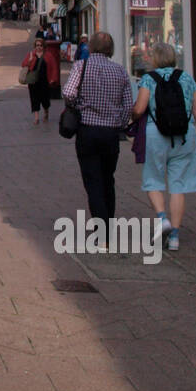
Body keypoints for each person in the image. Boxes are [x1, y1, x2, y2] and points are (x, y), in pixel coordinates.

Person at [60, 32, 133, 241]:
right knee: (108, 178)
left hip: (88, 130)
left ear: (91, 46)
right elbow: (128, 104)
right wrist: (120, 123)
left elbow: (68, 92)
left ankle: (102, 231)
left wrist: (78, 105)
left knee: (93, 180)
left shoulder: (81, 66)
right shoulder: (120, 70)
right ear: (111, 49)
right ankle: (108, 224)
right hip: (111, 133)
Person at [131, 43, 196, 252]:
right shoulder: (187, 78)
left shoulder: (148, 79)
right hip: (185, 135)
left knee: (153, 179)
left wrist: (132, 117)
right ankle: (175, 237)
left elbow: (140, 108)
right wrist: (195, 135)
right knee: (178, 185)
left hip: (156, 135)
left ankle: (163, 219)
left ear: (155, 59)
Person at [23, 37, 52, 126]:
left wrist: (52, 79)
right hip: (33, 81)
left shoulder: (48, 55)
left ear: (43, 46)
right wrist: (29, 61)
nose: (38, 47)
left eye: (40, 45)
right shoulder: (31, 54)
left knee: (45, 100)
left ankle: (46, 111)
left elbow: (53, 67)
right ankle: (36, 118)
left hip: (44, 81)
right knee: (34, 99)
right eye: (37, 45)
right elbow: (23, 64)